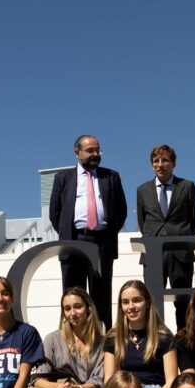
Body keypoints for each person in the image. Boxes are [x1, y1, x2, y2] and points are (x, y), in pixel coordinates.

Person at [49, 134, 129, 330]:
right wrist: (68, 234)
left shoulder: (111, 176)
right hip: (73, 242)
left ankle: (103, 342)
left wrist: (107, 234)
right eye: (90, 150)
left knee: (101, 297)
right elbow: (55, 213)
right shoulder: (63, 178)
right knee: (73, 297)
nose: (95, 154)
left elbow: (121, 211)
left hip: (101, 243)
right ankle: (72, 340)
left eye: (97, 150)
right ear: (77, 153)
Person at [136, 144, 195, 330]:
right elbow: (142, 221)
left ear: (173, 163)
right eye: (156, 161)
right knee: (151, 301)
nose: (160, 164)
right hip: (153, 253)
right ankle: (155, 340)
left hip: (181, 252)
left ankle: (184, 340)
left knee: (183, 302)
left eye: (165, 160)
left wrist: (180, 235)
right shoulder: (142, 190)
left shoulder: (187, 186)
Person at [103, 280, 177, 388]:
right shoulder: (113, 338)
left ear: (148, 303)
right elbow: (109, 379)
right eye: (125, 302)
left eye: (136, 300)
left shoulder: (164, 336)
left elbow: (172, 380)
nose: (131, 306)